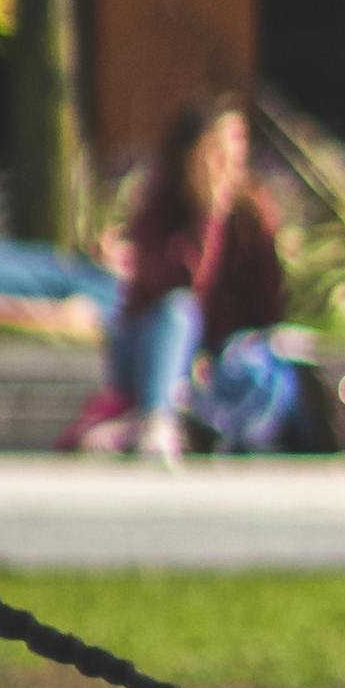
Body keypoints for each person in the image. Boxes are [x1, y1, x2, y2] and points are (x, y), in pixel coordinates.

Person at [73, 98, 289, 464]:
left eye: (238, 144)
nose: (228, 159)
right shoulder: (160, 210)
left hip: (217, 353)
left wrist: (215, 351)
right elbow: (169, 285)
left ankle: (193, 428)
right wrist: (207, 218)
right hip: (151, 345)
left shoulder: (253, 213)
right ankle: (157, 418)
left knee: (255, 363)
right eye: (217, 147)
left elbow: (266, 304)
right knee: (179, 310)